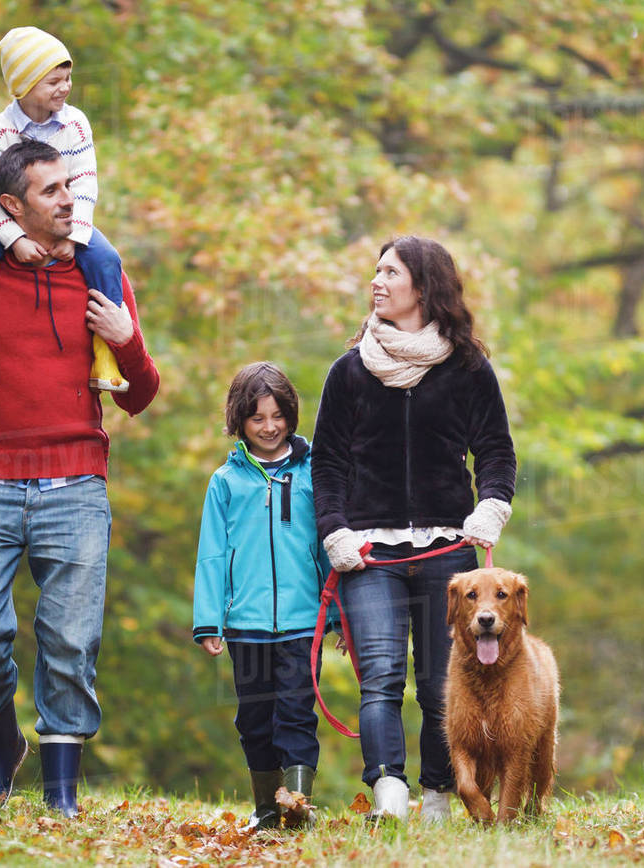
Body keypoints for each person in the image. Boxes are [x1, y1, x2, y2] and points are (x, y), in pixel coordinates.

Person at [0, 139, 160, 817]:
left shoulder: (100, 274)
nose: (69, 198)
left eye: (69, 185)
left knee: (71, 641)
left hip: (76, 480)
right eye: (51, 190)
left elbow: (140, 395)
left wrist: (127, 339)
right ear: (12, 205)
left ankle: (61, 799)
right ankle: (0, 742)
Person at [311, 235, 516, 823]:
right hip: (367, 554)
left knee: (438, 685)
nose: (376, 282)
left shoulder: (469, 370)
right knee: (379, 679)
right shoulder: (348, 371)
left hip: (448, 551)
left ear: (423, 288)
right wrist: (336, 532)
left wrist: (492, 504)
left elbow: (496, 452)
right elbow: (325, 464)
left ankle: (436, 795)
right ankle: (388, 791)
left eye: (390, 273)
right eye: (375, 272)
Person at [0, 26, 128, 394]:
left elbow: (86, 182)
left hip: (68, 219)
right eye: (53, 81)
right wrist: (13, 239)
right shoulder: (0, 131)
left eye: (68, 77)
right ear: (24, 87)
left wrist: (75, 234)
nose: (65, 87)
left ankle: (106, 351)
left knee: (106, 259)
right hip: (6, 221)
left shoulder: (75, 124)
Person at [192, 362, 334, 830]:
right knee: (254, 722)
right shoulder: (225, 482)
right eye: (257, 418)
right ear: (240, 420)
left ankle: (297, 805)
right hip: (246, 626)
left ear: (291, 415)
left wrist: (339, 617)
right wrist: (209, 621)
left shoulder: (316, 473)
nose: (269, 427)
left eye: (277, 416)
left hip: (302, 624)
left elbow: (330, 547)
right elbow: (212, 555)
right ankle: (267, 811)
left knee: (295, 716)